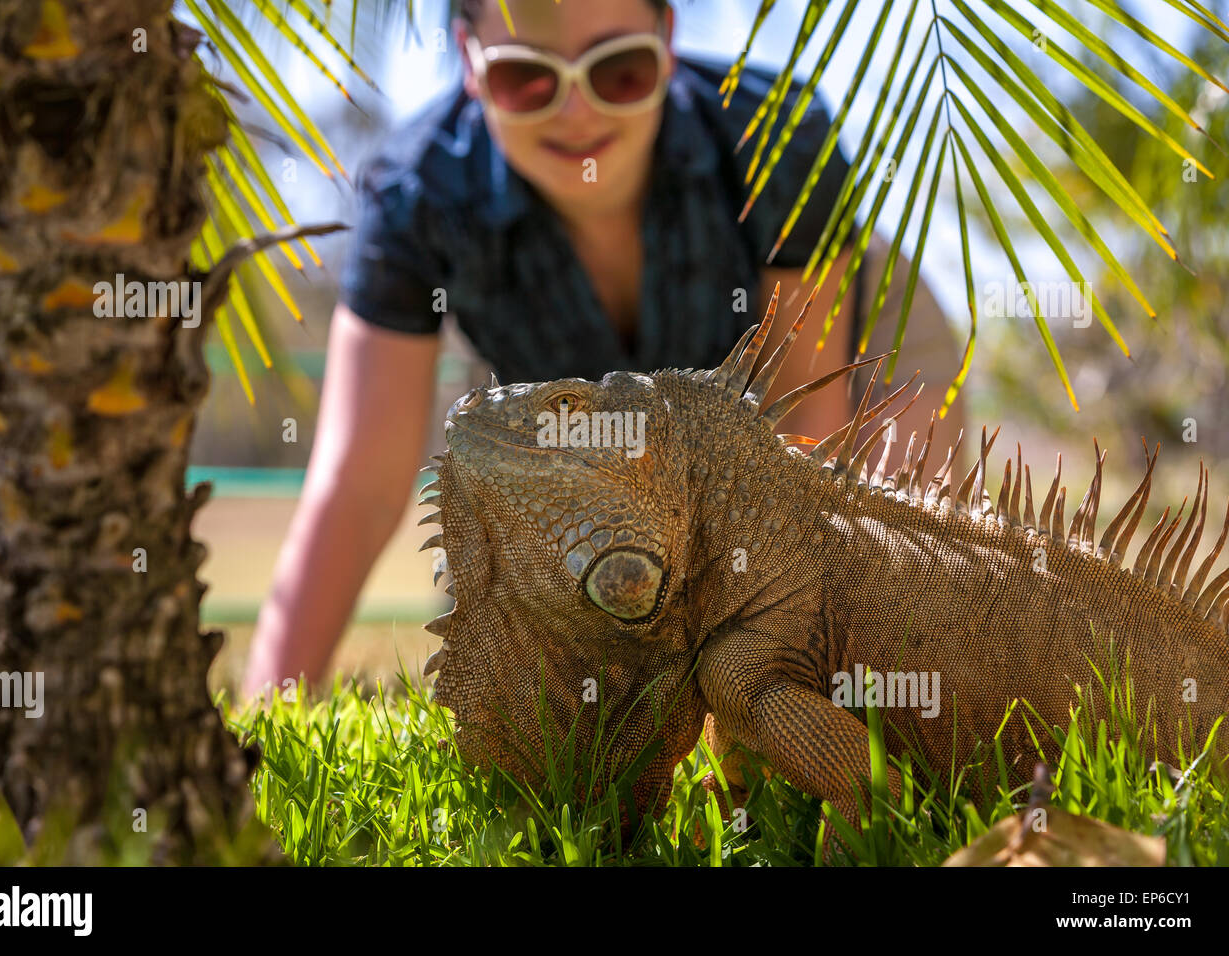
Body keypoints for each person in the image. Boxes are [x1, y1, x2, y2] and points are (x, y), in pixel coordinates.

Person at [240, 0, 965, 697]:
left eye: (619, 70)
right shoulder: (414, 197)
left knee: (896, 587)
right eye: (526, 78)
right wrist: (267, 718)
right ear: (468, 61)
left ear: (668, 40)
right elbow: (358, 489)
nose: (577, 112)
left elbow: (805, 439)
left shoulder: (779, 137)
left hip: (862, 348)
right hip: (598, 435)